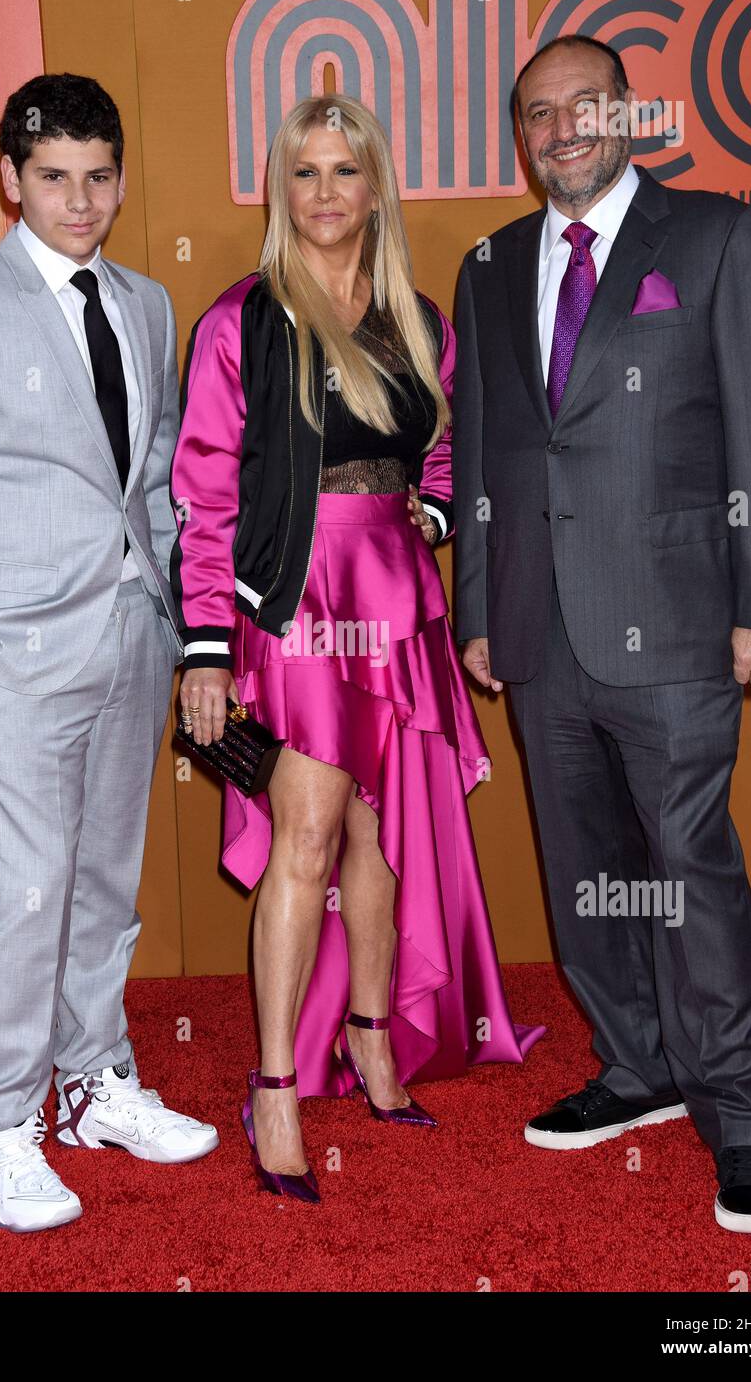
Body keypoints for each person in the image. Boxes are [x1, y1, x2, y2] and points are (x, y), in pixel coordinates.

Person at [452, 35, 751, 1233]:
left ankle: (740, 1118)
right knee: (586, 876)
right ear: (522, 136)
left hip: (677, 622)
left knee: (689, 873)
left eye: (583, 106)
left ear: (627, 112)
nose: (562, 130)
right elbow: (488, 450)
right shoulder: (490, 264)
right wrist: (476, 613)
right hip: (536, 633)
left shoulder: (713, 236)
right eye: (539, 115)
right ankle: (634, 1064)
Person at [170, 94, 545, 1204]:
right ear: (279, 192)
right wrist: (203, 648)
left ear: (374, 185)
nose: (325, 192)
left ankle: (374, 1040)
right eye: (304, 174)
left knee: (383, 835)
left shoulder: (419, 318)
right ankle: (276, 1085)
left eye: (344, 171)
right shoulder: (240, 320)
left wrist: (420, 529)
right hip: (296, 604)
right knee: (308, 834)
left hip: (396, 595)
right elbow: (198, 493)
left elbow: (446, 463)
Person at [0, 72, 218, 1234]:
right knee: (27, 891)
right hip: (13, 655)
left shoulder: (146, 302)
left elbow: (160, 472)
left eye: (98, 177)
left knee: (103, 881)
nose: (80, 201)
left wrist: (174, 612)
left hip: (130, 636)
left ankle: (94, 1080)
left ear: (118, 180)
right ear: (9, 178)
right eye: (55, 178)